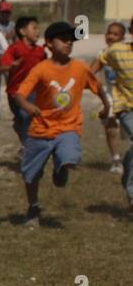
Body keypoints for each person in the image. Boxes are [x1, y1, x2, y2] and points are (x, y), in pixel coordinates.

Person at [11, 21, 110, 227]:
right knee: (30, 175)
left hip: (68, 126)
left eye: (71, 39)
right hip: (41, 129)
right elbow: (21, 94)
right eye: (63, 39)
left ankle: (61, 168)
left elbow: (97, 86)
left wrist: (106, 107)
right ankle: (33, 207)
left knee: (70, 156)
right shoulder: (41, 69)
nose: (68, 43)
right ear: (48, 42)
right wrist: (28, 108)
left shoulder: (80, 67)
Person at [0, 14, 47, 144]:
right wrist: (11, 66)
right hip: (14, 92)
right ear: (22, 31)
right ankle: (19, 127)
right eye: (34, 28)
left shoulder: (41, 51)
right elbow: (1, 67)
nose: (38, 31)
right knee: (21, 118)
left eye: (38, 28)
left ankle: (28, 148)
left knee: (27, 116)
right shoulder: (15, 48)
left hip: (32, 92)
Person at [93, 21, 129, 175]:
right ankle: (116, 160)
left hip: (127, 96)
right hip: (110, 96)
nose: (111, 36)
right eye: (109, 33)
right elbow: (90, 71)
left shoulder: (128, 52)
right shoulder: (103, 54)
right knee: (110, 128)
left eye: (115, 34)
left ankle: (129, 160)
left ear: (122, 37)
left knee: (127, 132)